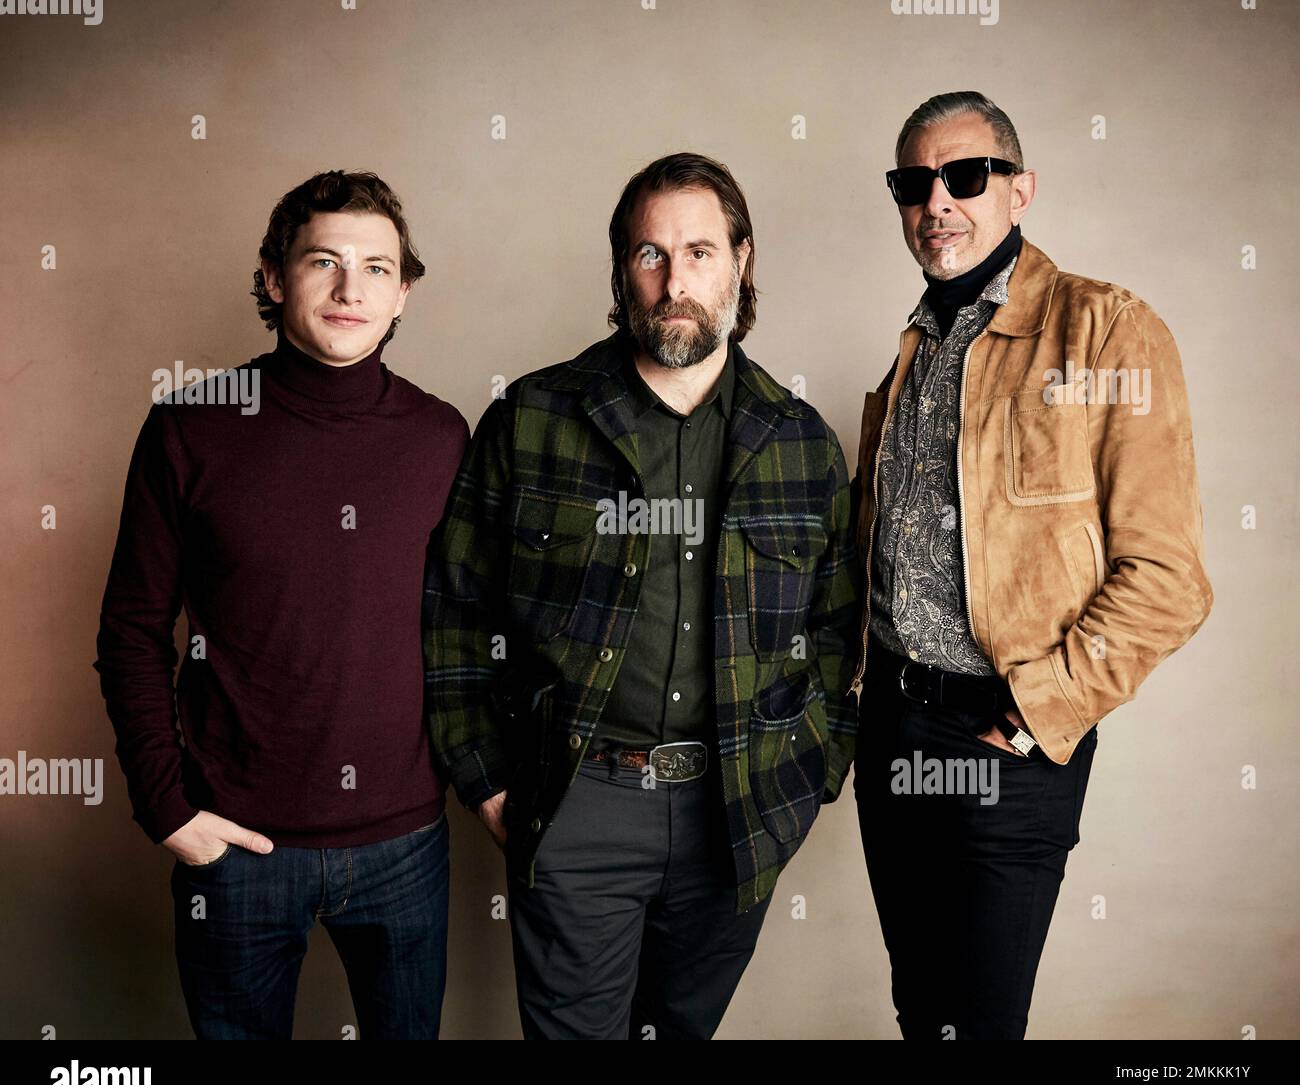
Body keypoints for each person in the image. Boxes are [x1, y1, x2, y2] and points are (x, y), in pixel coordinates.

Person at [424, 152, 860, 1039]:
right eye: (649, 254)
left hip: (737, 807)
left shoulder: (801, 443)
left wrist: (811, 773)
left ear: (743, 260)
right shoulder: (534, 418)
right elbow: (457, 613)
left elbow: (840, 630)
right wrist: (486, 780)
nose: (674, 280)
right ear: (621, 272)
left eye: (699, 251)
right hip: (579, 802)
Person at [850, 91, 1213, 1039]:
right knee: (922, 1010)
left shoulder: (1106, 331)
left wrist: (1029, 719)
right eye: (913, 183)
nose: (938, 201)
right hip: (892, 729)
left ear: (1021, 189)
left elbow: (1167, 580)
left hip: (1006, 741)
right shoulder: (906, 361)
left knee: (977, 1022)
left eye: (965, 176)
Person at [94, 170, 467, 1039]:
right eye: (323, 261)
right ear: (273, 277)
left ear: (404, 290)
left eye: (377, 268)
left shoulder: (443, 436)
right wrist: (168, 809)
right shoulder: (189, 427)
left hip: (407, 844)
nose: (350, 288)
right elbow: (131, 630)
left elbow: (472, 628)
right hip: (234, 847)